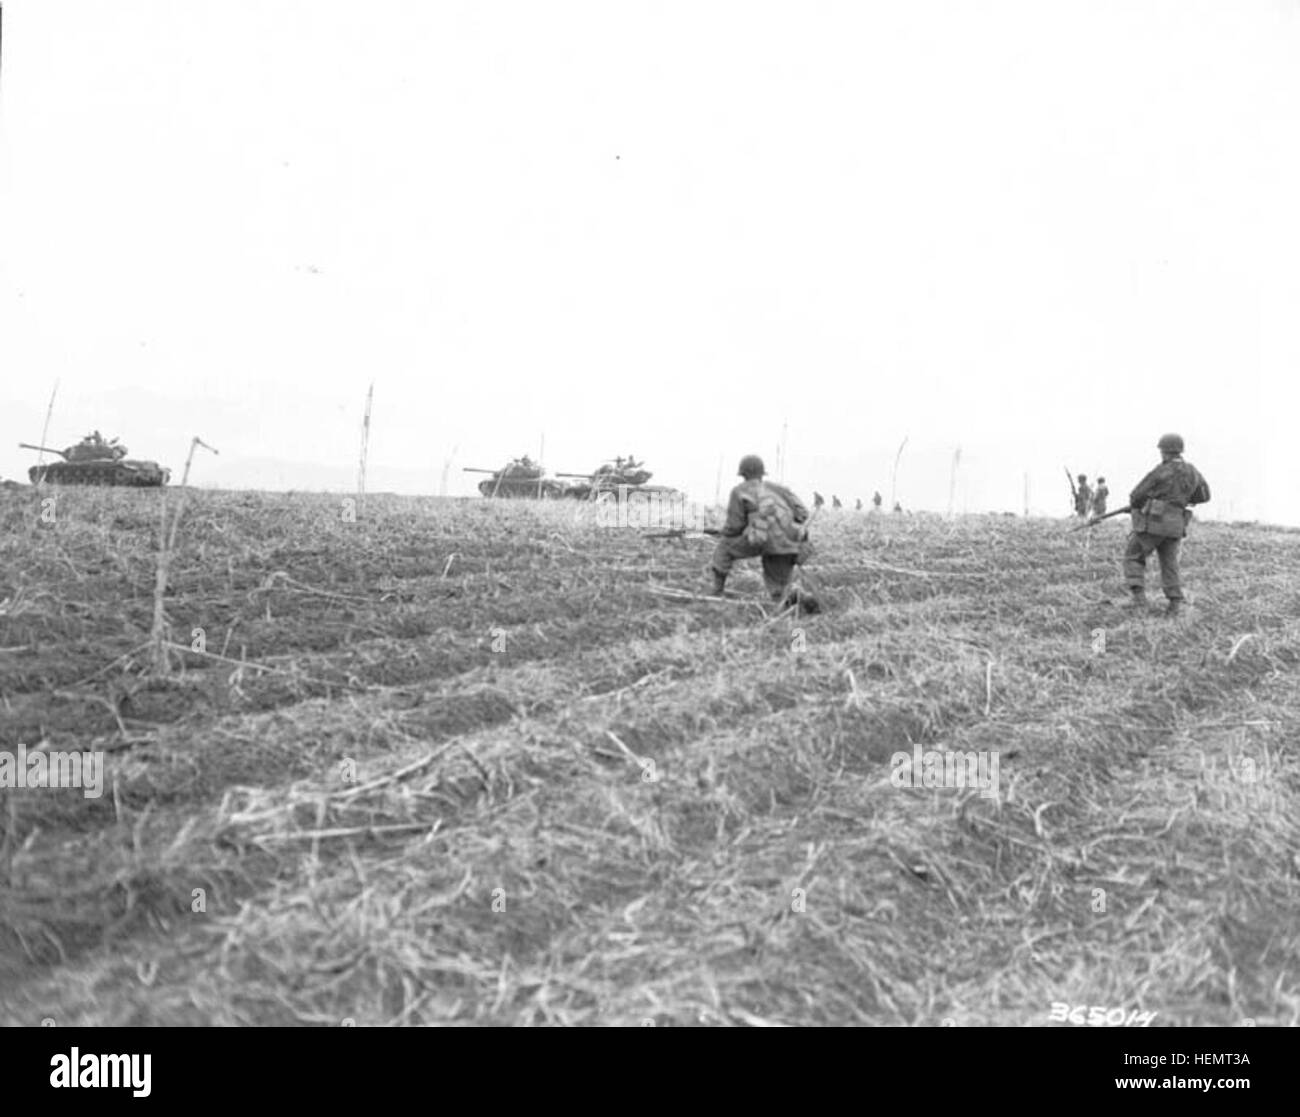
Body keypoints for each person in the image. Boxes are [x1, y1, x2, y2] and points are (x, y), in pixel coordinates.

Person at [709, 454, 818, 611]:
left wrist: (722, 533)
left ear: (743, 474)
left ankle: (716, 592)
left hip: (765, 540)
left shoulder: (740, 491)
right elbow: (803, 513)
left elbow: (734, 526)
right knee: (779, 589)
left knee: (724, 548)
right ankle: (802, 598)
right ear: (762, 473)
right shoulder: (778, 489)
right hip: (791, 542)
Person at [1121, 434, 1210, 615]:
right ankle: (1174, 605)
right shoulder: (1192, 471)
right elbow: (1204, 496)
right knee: (1169, 563)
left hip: (1154, 522)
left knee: (1133, 556)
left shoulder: (1161, 470)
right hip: (1176, 524)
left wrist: (1138, 505)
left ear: (1164, 451)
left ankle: (1139, 601)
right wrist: (1182, 499)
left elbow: (1136, 495)